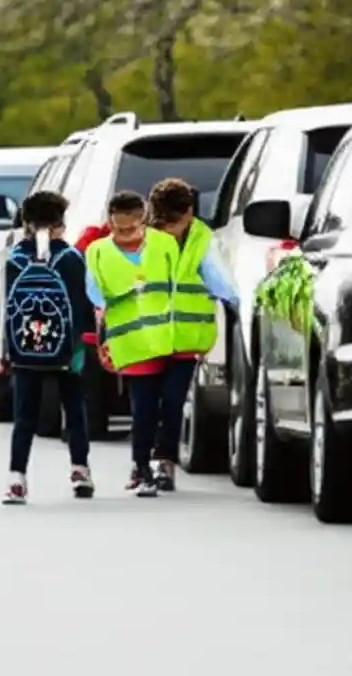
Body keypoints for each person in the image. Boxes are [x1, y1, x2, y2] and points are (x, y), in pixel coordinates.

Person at [143, 178, 239, 491]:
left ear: (189, 214)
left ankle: (164, 462)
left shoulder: (201, 240)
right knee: (146, 402)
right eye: (162, 222)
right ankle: (142, 462)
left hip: (185, 337)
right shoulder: (143, 240)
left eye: (173, 221)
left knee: (172, 401)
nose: (168, 229)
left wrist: (238, 303)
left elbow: (219, 280)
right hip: (147, 337)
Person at [1, 190, 94, 505]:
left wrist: (5, 353)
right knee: (75, 410)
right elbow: (81, 307)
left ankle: (17, 478)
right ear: (60, 224)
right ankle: (80, 469)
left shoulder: (15, 259)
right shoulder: (70, 259)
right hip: (67, 349)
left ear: (26, 223)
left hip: (25, 350)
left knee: (24, 415)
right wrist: (85, 344)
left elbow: (8, 309)